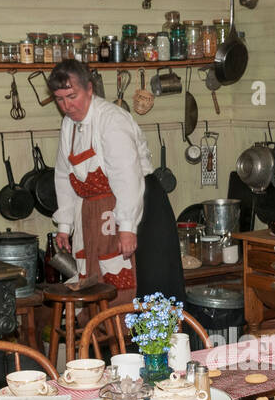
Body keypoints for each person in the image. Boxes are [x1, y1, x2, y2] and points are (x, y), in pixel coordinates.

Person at [48, 58, 186, 305]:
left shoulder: (111, 120)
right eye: (59, 99)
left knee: (146, 287)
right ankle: (107, 343)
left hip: (139, 209)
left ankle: (149, 343)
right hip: (98, 216)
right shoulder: (69, 124)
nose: (66, 106)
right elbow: (63, 174)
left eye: (72, 96)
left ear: (89, 89)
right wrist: (64, 225)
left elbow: (127, 177)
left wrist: (127, 228)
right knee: (100, 284)